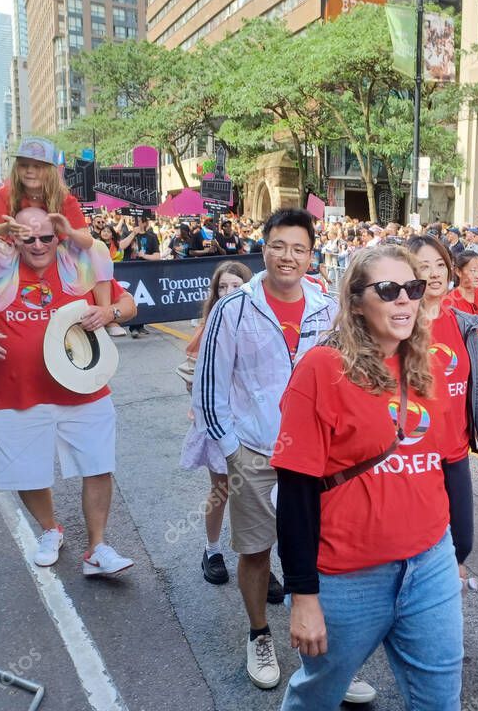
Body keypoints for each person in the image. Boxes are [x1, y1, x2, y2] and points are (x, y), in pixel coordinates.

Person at [193, 209, 375, 701]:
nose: (287, 257)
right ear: (264, 249)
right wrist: (232, 451)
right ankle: (260, 635)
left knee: (324, 556)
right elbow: (209, 388)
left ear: (311, 255)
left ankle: (328, 661)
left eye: (298, 248)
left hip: (318, 459)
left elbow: (349, 374)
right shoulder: (234, 309)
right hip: (254, 453)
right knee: (256, 551)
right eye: (278, 246)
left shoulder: (327, 309)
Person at [273, 244, 463, 710]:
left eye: (412, 288)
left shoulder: (428, 365)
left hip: (429, 564)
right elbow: (296, 490)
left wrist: (457, 550)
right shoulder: (322, 368)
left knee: (441, 701)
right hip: (347, 578)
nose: (405, 300)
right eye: (389, 290)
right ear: (356, 302)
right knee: (317, 696)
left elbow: (448, 462)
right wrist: (303, 594)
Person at [0, 207, 137, 575]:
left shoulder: (78, 266)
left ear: (58, 237)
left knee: (98, 466)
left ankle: (97, 548)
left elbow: (128, 304)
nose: (38, 245)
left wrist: (109, 313)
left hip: (84, 390)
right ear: (14, 238)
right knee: (26, 473)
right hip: (15, 394)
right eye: (28, 238)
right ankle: (51, 529)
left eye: (46, 237)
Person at [407, 236, 478, 593]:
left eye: (440, 265)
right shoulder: (398, 324)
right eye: (424, 266)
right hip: (410, 457)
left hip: (453, 451)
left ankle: (441, 599)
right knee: (413, 545)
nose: (434, 274)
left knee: (461, 543)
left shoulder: (464, 323)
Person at [0, 138, 118, 360]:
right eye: (24, 165)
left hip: (56, 255)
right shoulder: (4, 194)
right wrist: (2, 229)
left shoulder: (64, 198)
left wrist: (68, 231)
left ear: (50, 170)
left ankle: (107, 317)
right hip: (11, 254)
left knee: (99, 248)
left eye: (37, 166)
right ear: (17, 168)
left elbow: (87, 241)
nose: (30, 171)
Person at [179, 260, 253, 586]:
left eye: (235, 286)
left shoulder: (261, 322)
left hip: (253, 423)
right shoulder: (210, 325)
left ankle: (257, 560)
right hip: (219, 421)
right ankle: (212, 551)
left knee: (254, 494)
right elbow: (192, 374)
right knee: (222, 489)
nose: (228, 292)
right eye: (222, 287)